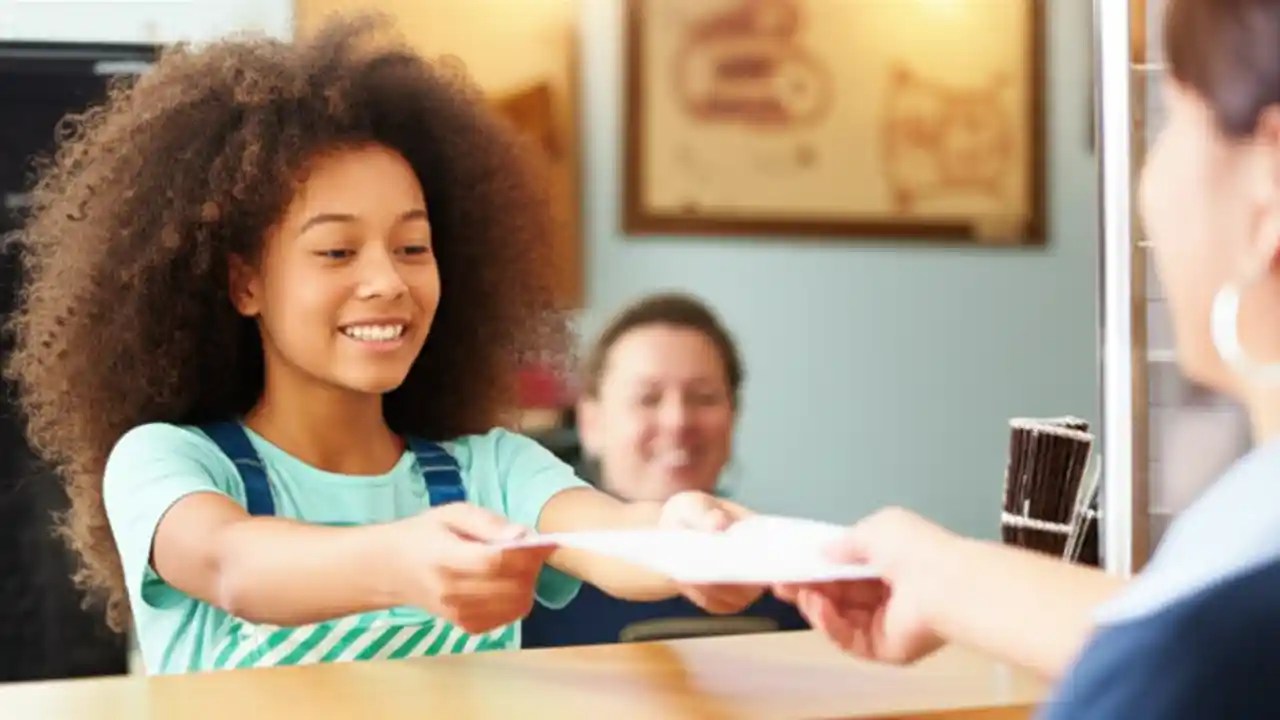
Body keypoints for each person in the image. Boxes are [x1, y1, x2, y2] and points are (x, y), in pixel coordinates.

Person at [1, 16, 764, 676]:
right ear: (244, 283)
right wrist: (401, 562)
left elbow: (613, 536)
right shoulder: (169, 464)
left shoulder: (492, 471)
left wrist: (690, 541)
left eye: (412, 248)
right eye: (337, 252)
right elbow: (235, 566)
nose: (388, 282)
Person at [774, 0, 1280, 716]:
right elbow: (1173, 615)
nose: (1150, 182)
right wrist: (943, 576)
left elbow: (1186, 643)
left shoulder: (1183, 669)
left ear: (1269, 186)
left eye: (1171, 123)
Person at [522, 293, 807, 648]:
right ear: (591, 422)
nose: (677, 421)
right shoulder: (526, 585)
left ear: (733, 417)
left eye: (703, 397)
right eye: (648, 398)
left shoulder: (789, 580)